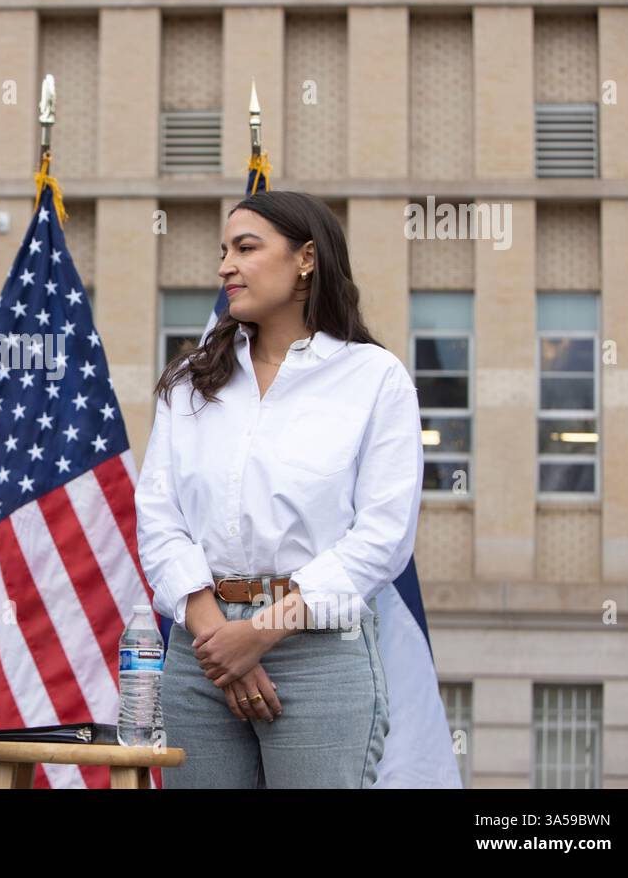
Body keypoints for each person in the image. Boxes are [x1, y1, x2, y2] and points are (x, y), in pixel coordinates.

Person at [135, 190, 423, 788]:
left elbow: (383, 537)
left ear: (306, 259)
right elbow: (159, 519)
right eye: (224, 251)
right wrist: (220, 640)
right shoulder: (190, 383)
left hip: (319, 648)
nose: (225, 267)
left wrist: (260, 633)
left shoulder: (374, 379)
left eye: (246, 248)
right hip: (200, 648)